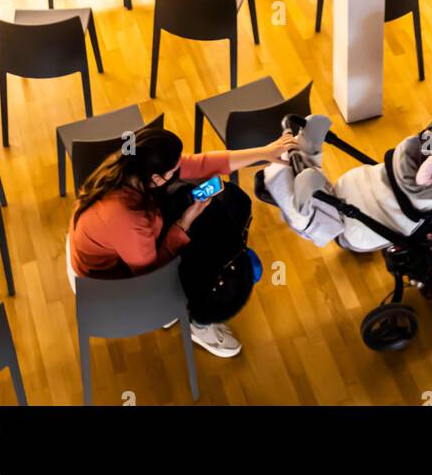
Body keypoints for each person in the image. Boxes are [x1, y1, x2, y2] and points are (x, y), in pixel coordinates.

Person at [67, 124, 296, 357]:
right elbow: (151, 273)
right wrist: (184, 223)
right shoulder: (127, 218)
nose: (180, 170)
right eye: (173, 170)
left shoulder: (130, 167)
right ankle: (197, 322)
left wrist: (265, 152)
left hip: (128, 244)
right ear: (155, 178)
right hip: (116, 279)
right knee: (209, 271)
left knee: (210, 207)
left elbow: (202, 164)